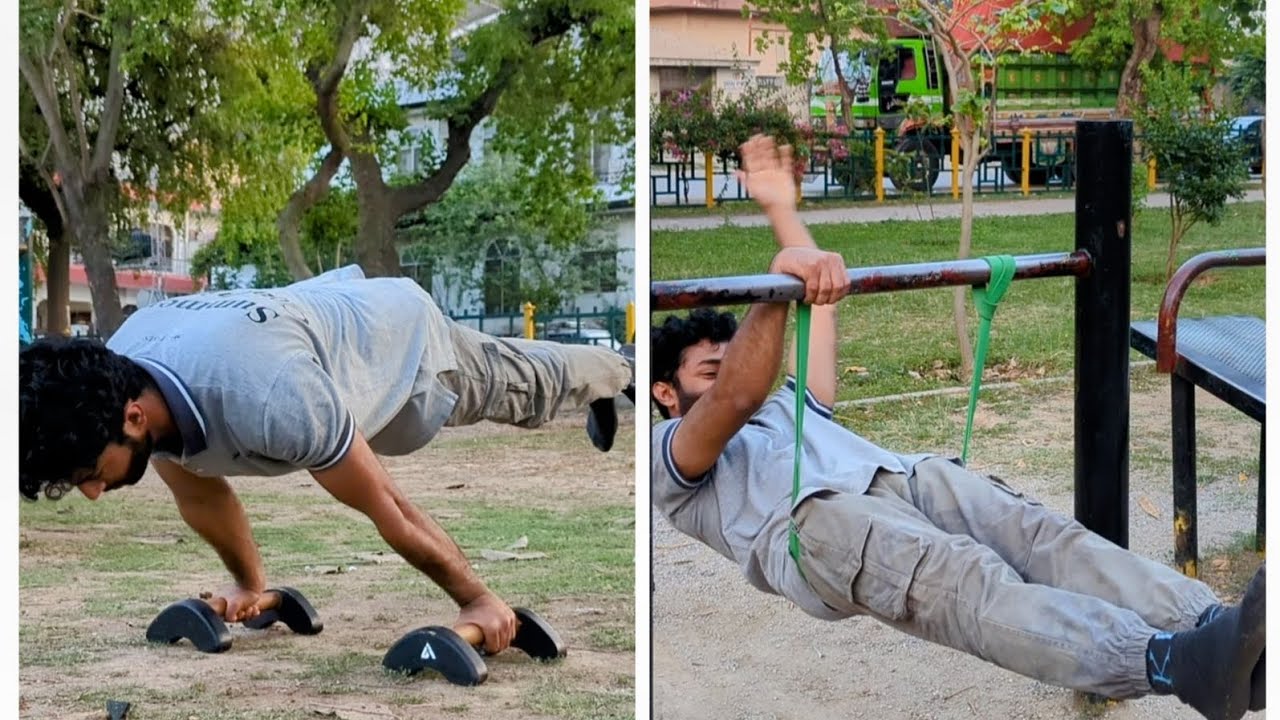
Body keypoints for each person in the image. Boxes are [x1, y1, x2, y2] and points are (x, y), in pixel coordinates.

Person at [650, 135, 1265, 720]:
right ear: (665, 391)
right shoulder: (672, 457)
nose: (728, 370)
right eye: (709, 368)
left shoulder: (787, 405)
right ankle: (1174, 663)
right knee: (972, 585)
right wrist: (777, 280)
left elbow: (818, 307)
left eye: (732, 357)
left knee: (1045, 535)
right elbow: (735, 395)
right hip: (814, 524)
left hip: (900, 477)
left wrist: (783, 212)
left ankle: (1219, 632)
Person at [20, 265, 634, 653]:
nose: (92, 493)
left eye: (88, 476)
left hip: (398, 342)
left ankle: (618, 373)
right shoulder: (125, 370)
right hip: (311, 328)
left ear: (134, 418)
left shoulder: (270, 396)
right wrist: (249, 586)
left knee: (518, 386)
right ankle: (602, 378)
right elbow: (202, 494)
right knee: (515, 378)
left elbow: (389, 506)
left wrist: (476, 599)